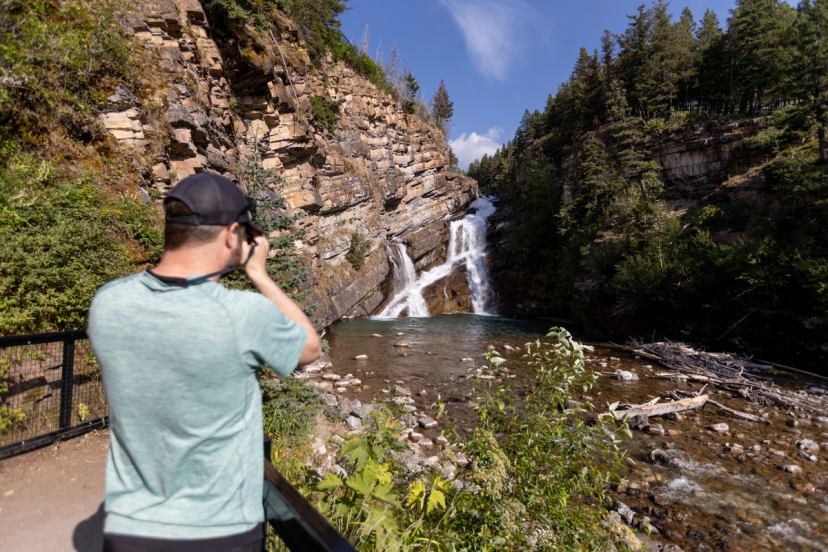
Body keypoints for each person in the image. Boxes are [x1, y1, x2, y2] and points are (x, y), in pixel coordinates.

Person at [88, 172, 321, 551]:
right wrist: (258, 273)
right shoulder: (241, 314)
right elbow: (310, 348)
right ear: (232, 234)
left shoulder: (108, 303)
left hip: (130, 527)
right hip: (220, 529)